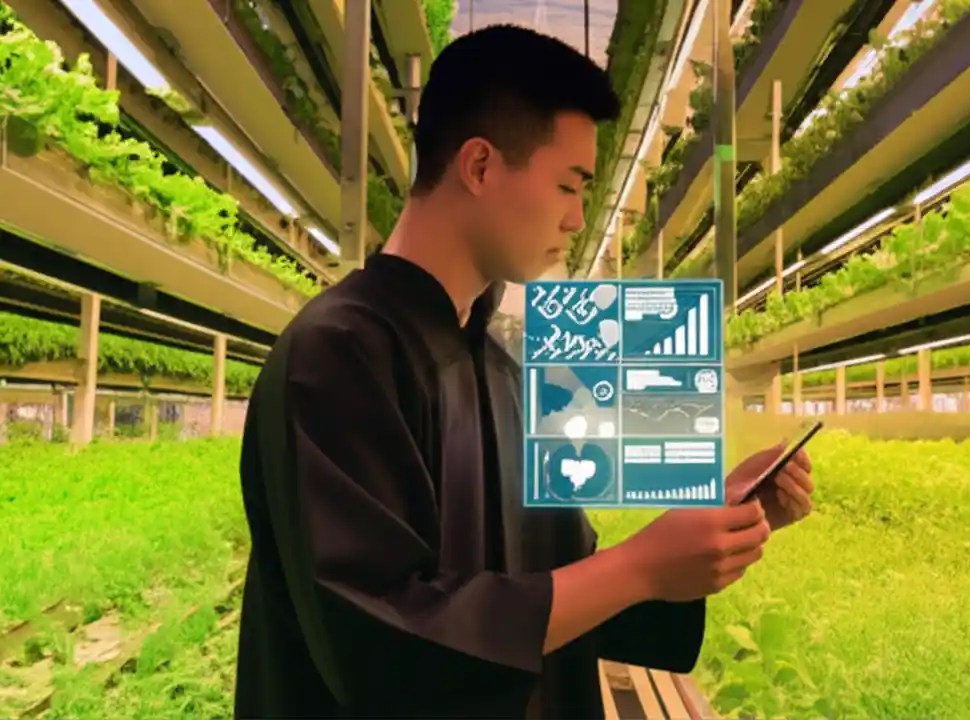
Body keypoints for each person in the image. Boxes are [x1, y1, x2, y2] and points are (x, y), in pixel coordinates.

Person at [233, 23, 814, 720]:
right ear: (479, 166)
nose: (576, 219)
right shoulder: (335, 356)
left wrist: (708, 533)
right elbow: (381, 648)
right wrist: (640, 566)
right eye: (569, 186)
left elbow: (567, 591)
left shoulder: (503, 373)